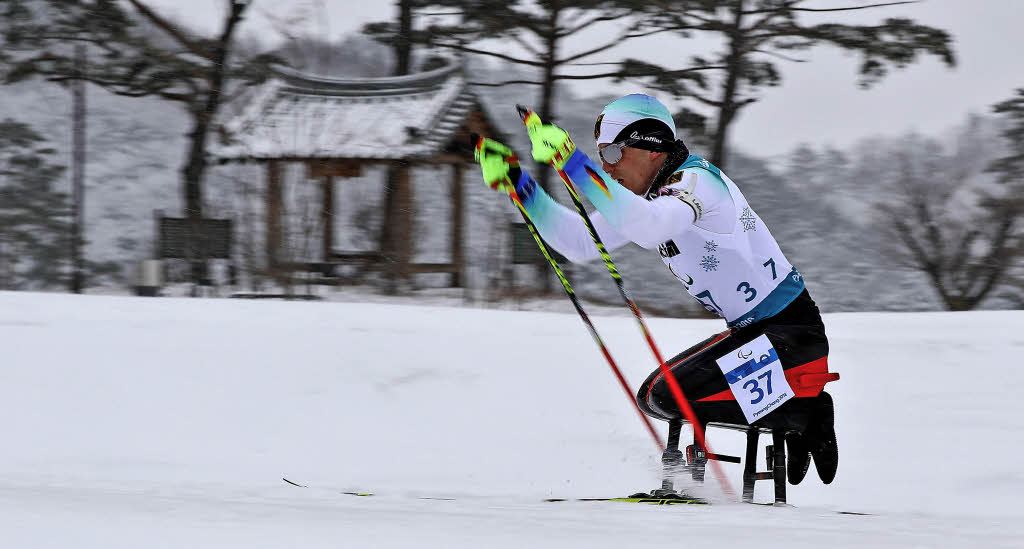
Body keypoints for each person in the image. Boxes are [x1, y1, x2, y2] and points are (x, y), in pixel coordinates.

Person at [474, 93, 838, 485]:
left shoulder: (698, 183)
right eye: (599, 155)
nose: (606, 166)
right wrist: (520, 184)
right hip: (752, 329)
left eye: (613, 152)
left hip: (790, 332)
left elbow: (649, 227)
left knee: (668, 397)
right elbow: (581, 243)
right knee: (654, 394)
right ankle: (798, 410)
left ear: (650, 147)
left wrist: (571, 162)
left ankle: (802, 411)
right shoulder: (648, 198)